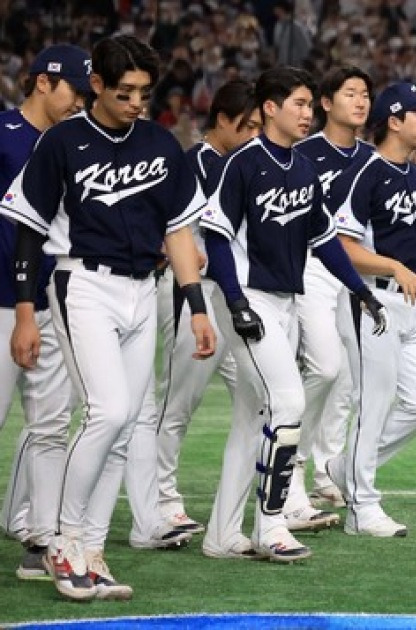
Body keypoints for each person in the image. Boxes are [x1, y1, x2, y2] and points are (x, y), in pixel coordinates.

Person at [3, 35, 216, 601]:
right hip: (83, 283)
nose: (136, 102)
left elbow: (178, 232)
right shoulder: (62, 141)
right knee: (109, 410)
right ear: (96, 84)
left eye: (144, 92)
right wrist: (25, 312)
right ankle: (62, 541)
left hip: (143, 289)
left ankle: (91, 552)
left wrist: (197, 307)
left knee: (124, 428)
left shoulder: (160, 142)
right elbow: (29, 230)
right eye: (125, 92)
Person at [199, 66, 386, 563]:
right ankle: (272, 524)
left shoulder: (302, 168)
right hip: (248, 298)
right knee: (287, 402)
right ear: (269, 108)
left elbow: (325, 240)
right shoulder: (242, 163)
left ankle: (221, 535)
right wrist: (235, 301)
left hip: (284, 301)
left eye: (308, 104)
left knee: (251, 419)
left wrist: (359, 290)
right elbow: (216, 237)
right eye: (298, 104)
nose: (306, 113)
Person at [326, 81, 416, 537]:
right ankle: (362, 508)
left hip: (409, 304)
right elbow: (342, 246)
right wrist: (393, 266)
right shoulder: (363, 173)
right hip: (370, 298)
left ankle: (346, 468)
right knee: (373, 405)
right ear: (393, 121)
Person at [153, 79, 260, 533]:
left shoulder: (245, 164)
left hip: (232, 298)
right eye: (247, 125)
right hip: (190, 293)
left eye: (259, 126)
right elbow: (168, 225)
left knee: (259, 399)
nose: (254, 134)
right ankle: (161, 500)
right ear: (222, 120)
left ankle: (271, 500)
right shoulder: (193, 162)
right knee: (179, 401)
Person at [0, 43, 88, 582]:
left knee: (52, 420)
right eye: (73, 89)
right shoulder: (4, 135)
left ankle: (38, 536)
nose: (80, 101)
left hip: (54, 297)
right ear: (42, 82)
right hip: (1, 300)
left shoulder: (74, 145)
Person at [287, 66, 375, 523]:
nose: (360, 101)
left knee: (347, 380)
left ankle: (325, 468)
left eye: (365, 94)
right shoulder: (302, 152)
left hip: (351, 270)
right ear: (326, 102)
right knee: (324, 367)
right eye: (350, 93)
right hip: (309, 266)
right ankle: (291, 463)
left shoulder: (372, 158)